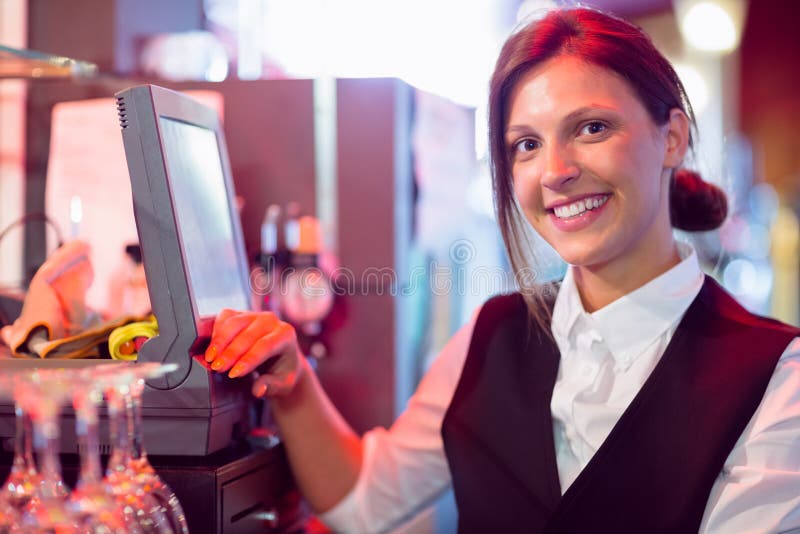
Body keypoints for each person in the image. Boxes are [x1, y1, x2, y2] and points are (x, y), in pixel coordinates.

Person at [203, 7, 800, 533]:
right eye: (526, 144)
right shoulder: (491, 334)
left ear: (671, 137)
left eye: (592, 128)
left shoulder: (776, 379)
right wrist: (293, 380)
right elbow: (362, 503)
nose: (555, 171)